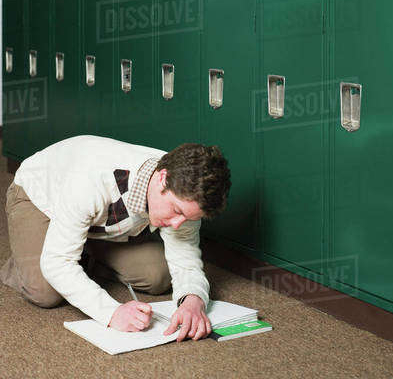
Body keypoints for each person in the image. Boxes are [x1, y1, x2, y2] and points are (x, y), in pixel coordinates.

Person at [0, 135, 231, 341]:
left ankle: (78, 246)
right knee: (45, 290)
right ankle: (29, 258)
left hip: (97, 223)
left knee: (157, 275)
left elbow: (185, 260)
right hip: (39, 199)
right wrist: (112, 313)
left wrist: (193, 300)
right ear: (163, 179)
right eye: (177, 211)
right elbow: (55, 263)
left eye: (188, 218)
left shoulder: (187, 196)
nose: (178, 224)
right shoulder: (91, 179)